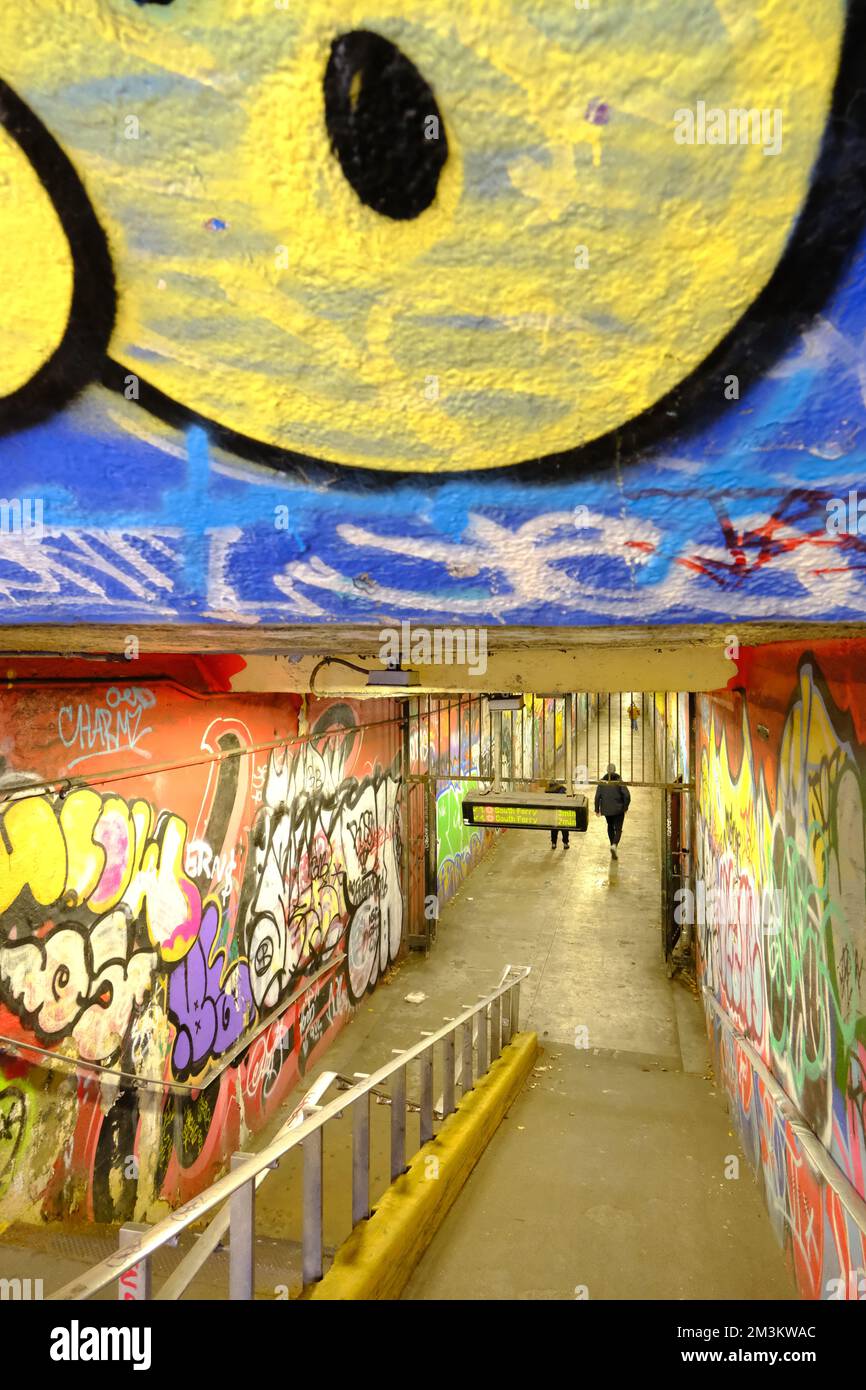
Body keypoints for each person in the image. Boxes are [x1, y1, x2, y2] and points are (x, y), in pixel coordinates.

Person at [594, 763, 631, 858]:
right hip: (618, 810)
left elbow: (597, 796)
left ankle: (612, 845)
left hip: (606, 810)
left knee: (610, 826)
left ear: (607, 771)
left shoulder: (602, 782)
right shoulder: (619, 781)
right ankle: (614, 845)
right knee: (618, 829)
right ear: (615, 770)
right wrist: (625, 807)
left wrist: (597, 809)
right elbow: (627, 795)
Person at [545, 778, 569, 849]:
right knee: (564, 828)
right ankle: (565, 843)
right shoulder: (562, 790)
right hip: (562, 812)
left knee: (553, 829)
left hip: (553, 813)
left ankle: (554, 843)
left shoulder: (548, 791)